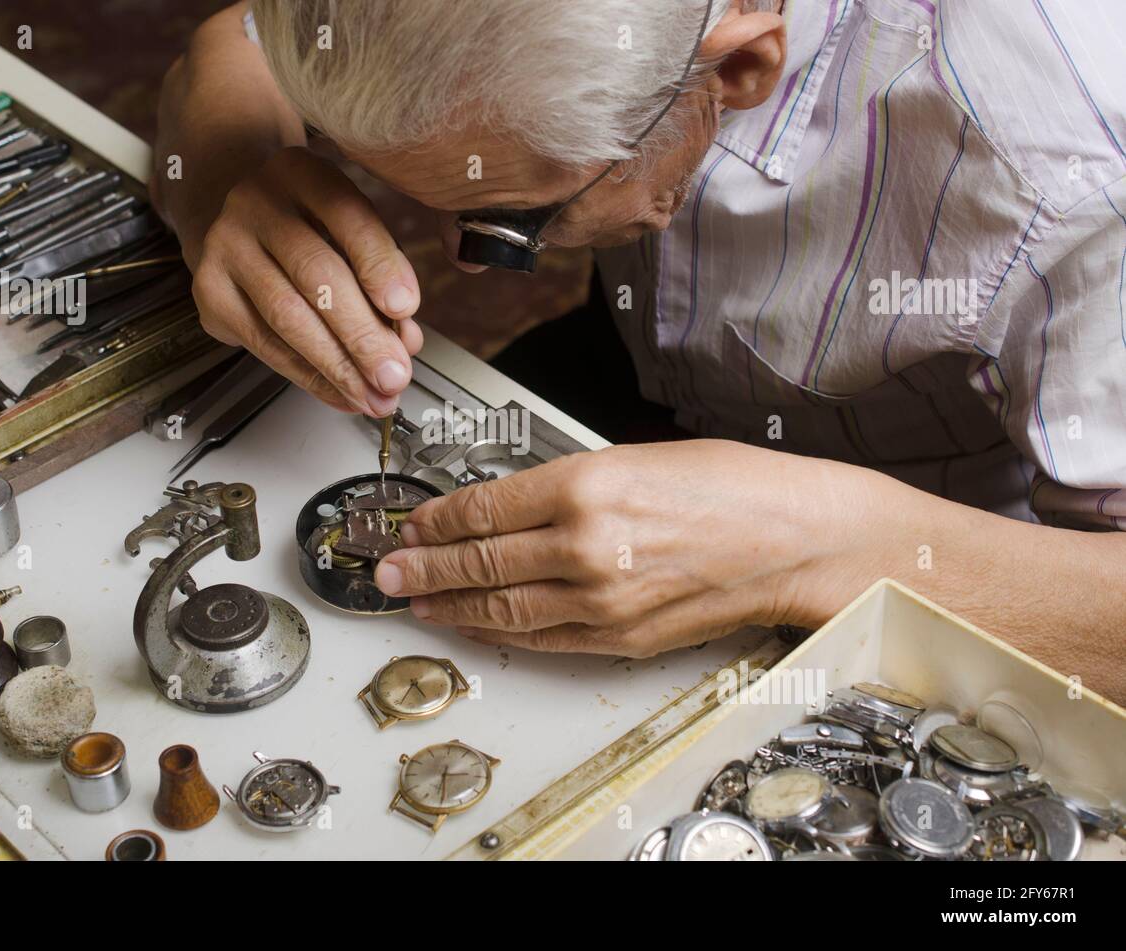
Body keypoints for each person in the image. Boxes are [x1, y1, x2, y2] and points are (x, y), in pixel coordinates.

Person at [154, 1, 1126, 703]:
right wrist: (225, 177)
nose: (456, 267)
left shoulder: (1069, 169)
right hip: (647, 363)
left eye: (504, 229)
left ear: (737, 70)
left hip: (955, 552)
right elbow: (232, 43)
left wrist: (833, 545)